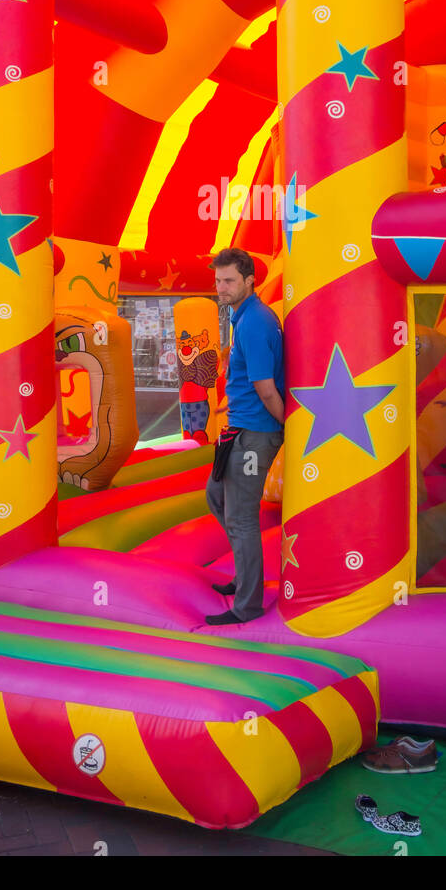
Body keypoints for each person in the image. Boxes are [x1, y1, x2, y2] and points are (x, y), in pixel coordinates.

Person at [204, 248, 285, 625]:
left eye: (229, 281)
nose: (221, 288)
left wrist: (286, 428)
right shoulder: (245, 317)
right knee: (217, 495)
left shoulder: (254, 322)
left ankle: (248, 604)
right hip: (241, 427)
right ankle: (245, 577)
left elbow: (266, 388)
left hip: (255, 433)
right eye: (219, 280)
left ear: (250, 280)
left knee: (242, 518)